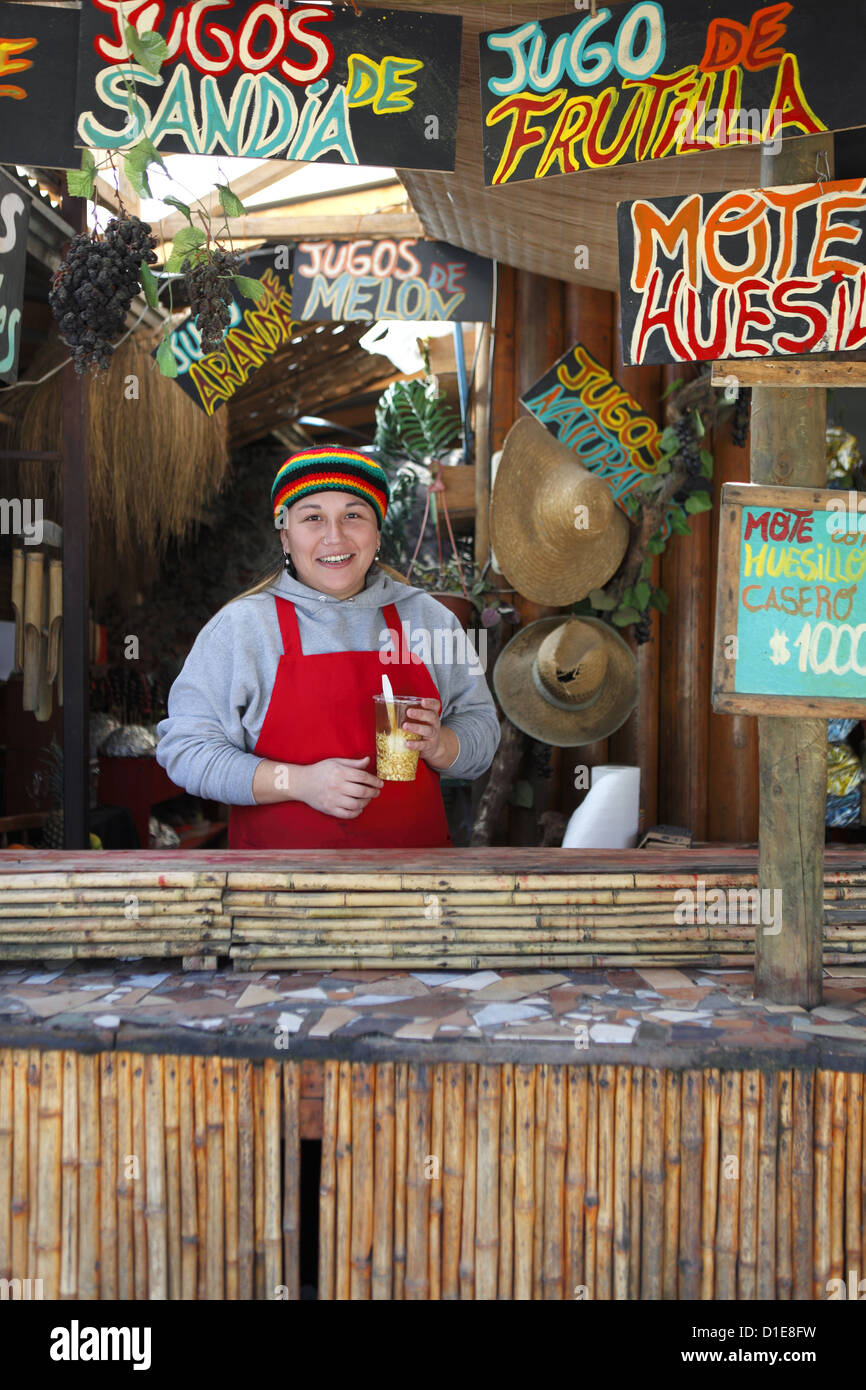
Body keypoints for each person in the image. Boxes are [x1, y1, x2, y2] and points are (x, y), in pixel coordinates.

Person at [155, 446, 501, 848]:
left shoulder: (428, 618)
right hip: (278, 893)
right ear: (286, 535)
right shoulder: (242, 629)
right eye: (312, 518)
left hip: (411, 886)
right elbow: (186, 750)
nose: (334, 536)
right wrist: (297, 782)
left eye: (353, 515)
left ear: (377, 533)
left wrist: (443, 744)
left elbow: (481, 730)